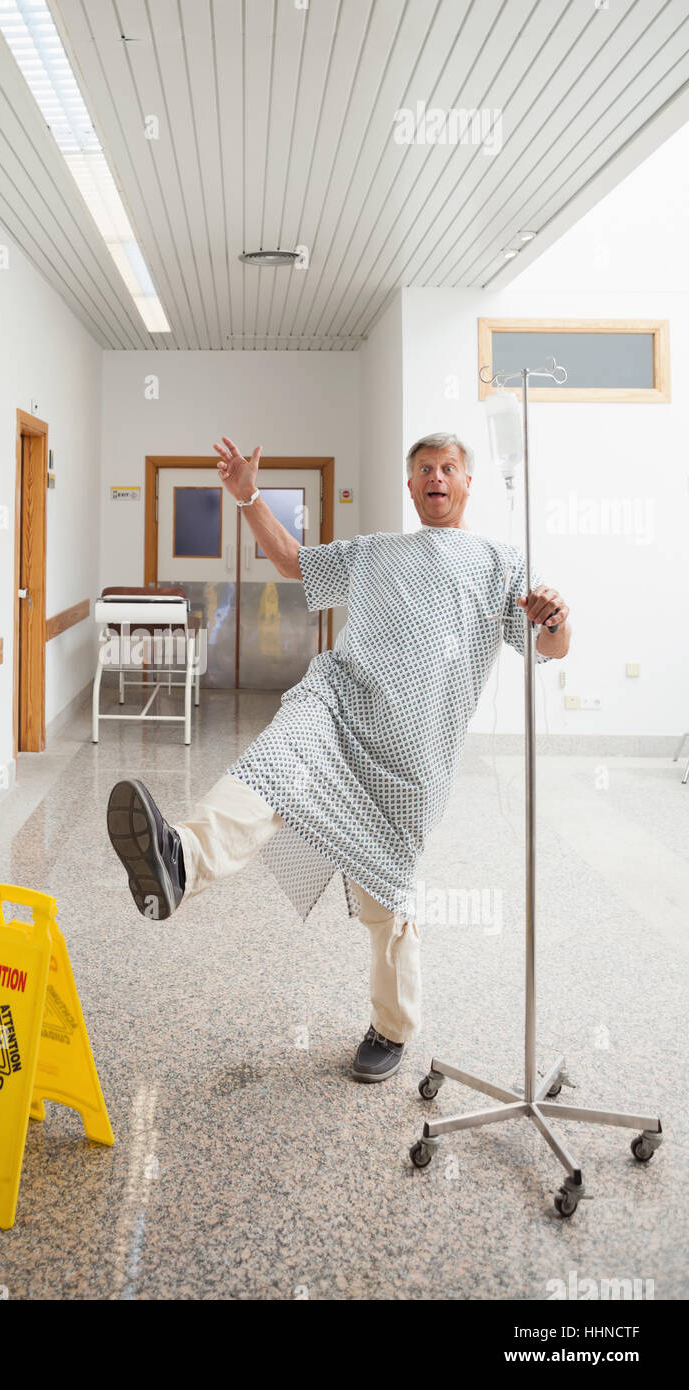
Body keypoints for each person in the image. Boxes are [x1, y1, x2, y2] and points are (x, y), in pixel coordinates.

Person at [106, 433, 570, 1082]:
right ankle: (181, 856)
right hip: (335, 707)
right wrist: (249, 499)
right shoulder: (377, 552)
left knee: (384, 903)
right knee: (268, 770)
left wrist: (555, 620)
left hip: (410, 761)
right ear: (409, 487)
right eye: (424, 470)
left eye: (448, 469)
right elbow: (293, 559)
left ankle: (392, 1027)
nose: (436, 478)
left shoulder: (500, 564)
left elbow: (550, 648)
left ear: (467, 483)